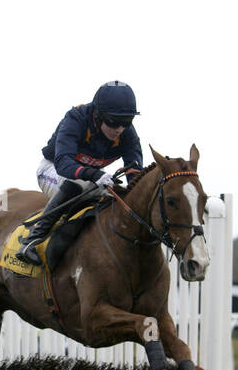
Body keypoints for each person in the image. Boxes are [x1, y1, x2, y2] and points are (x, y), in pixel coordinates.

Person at [16, 81, 144, 265]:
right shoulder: (75, 119)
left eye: (127, 122)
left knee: (117, 195)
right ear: (99, 115)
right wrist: (94, 174)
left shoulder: (127, 134)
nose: (119, 129)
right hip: (52, 169)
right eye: (114, 121)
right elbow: (63, 163)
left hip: (89, 177)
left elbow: (135, 175)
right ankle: (31, 241)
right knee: (81, 184)